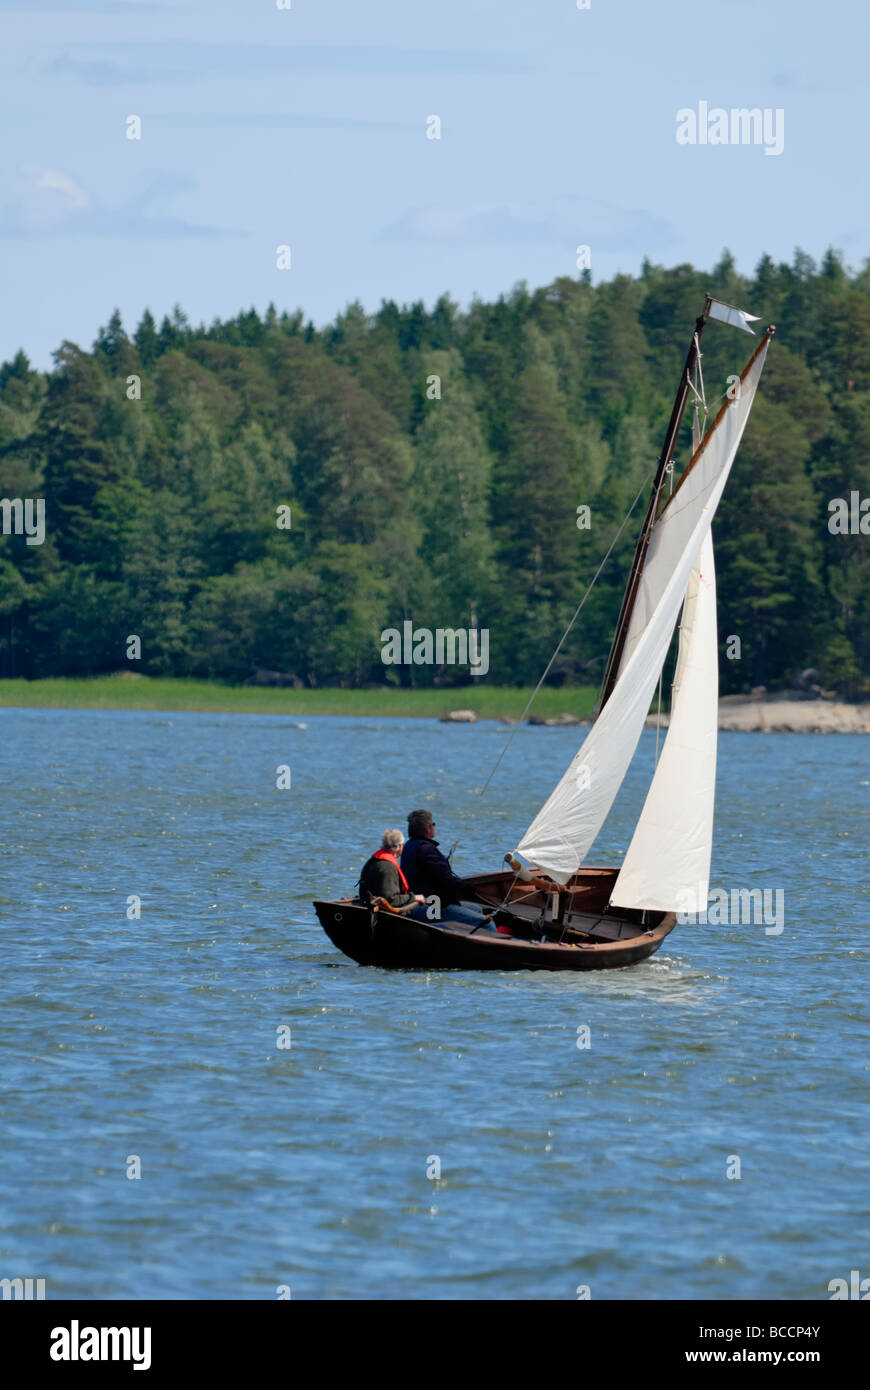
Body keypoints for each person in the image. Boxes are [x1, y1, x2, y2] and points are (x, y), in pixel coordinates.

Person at [400, 810, 488, 926]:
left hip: (420, 901)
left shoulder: (409, 845)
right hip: (431, 905)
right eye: (433, 824)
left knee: (477, 909)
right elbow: (444, 880)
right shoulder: (426, 850)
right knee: (485, 923)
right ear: (428, 828)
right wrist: (467, 887)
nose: (434, 827)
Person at [359, 829, 425, 910]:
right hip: (388, 912)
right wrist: (414, 898)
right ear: (400, 847)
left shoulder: (373, 861)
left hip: (370, 905)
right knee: (436, 910)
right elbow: (390, 900)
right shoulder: (388, 868)